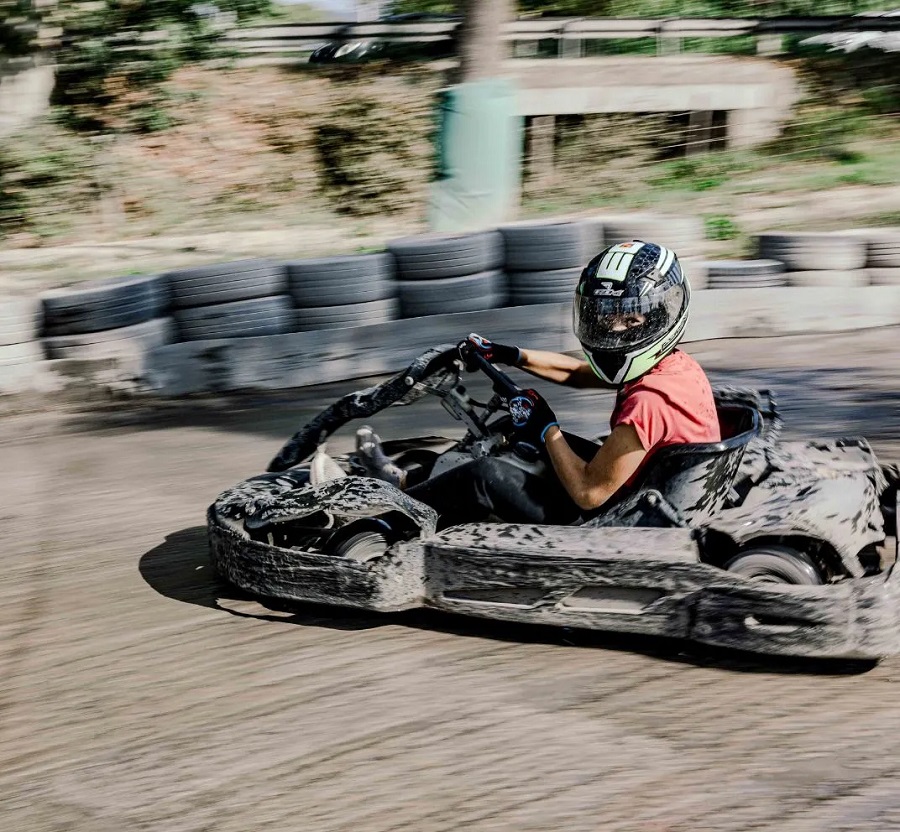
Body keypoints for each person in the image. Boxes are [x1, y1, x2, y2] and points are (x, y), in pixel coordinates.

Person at [356, 240, 721, 529]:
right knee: (513, 429)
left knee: (485, 477)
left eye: (631, 318)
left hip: (621, 517)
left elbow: (589, 494)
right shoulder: (672, 368)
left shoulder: (650, 402)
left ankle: (386, 520)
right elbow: (578, 374)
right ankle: (407, 484)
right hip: (642, 487)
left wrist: (547, 428)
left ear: (660, 317)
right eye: (608, 317)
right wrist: (509, 354)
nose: (613, 330)